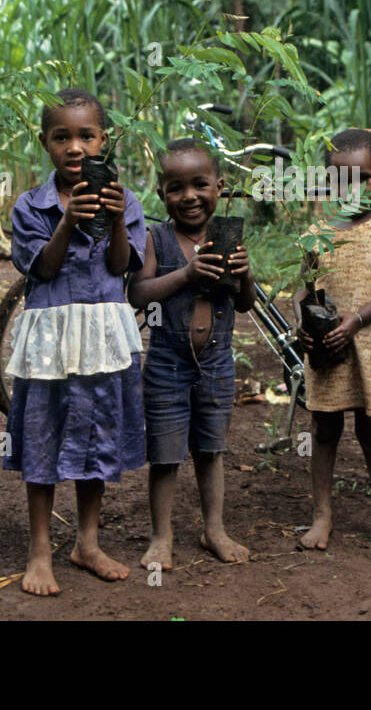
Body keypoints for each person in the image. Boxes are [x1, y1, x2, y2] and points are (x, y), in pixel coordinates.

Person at [3, 88, 147, 595]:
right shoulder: (30, 206)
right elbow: (39, 268)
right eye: (62, 137)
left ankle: (87, 541)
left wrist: (112, 219)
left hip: (103, 333)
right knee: (43, 433)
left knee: (97, 433)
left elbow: (119, 267)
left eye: (86, 135)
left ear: (103, 140)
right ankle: (39, 549)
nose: (75, 147)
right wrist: (67, 221)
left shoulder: (125, 201)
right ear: (45, 143)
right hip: (51, 335)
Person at [128, 139, 255, 571]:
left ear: (219, 187)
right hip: (167, 361)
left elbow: (243, 304)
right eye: (176, 188)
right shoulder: (156, 238)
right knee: (165, 453)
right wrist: (186, 273)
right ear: (162, 194)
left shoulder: (227, 239)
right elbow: (138, 294)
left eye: (199, 185)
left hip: (217, 362)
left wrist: (246, 274)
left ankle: (213, 529)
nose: (189, 196)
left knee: (211, 449)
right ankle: (161, 536)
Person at [294, 129, 371, 552]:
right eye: (339, 181)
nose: (350, 191)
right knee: (325, 429)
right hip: (327, 348)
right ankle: (322, 516)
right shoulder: (318, 231)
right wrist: (302, 324)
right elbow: (302, 290)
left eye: (361, 179)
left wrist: (358, 319)